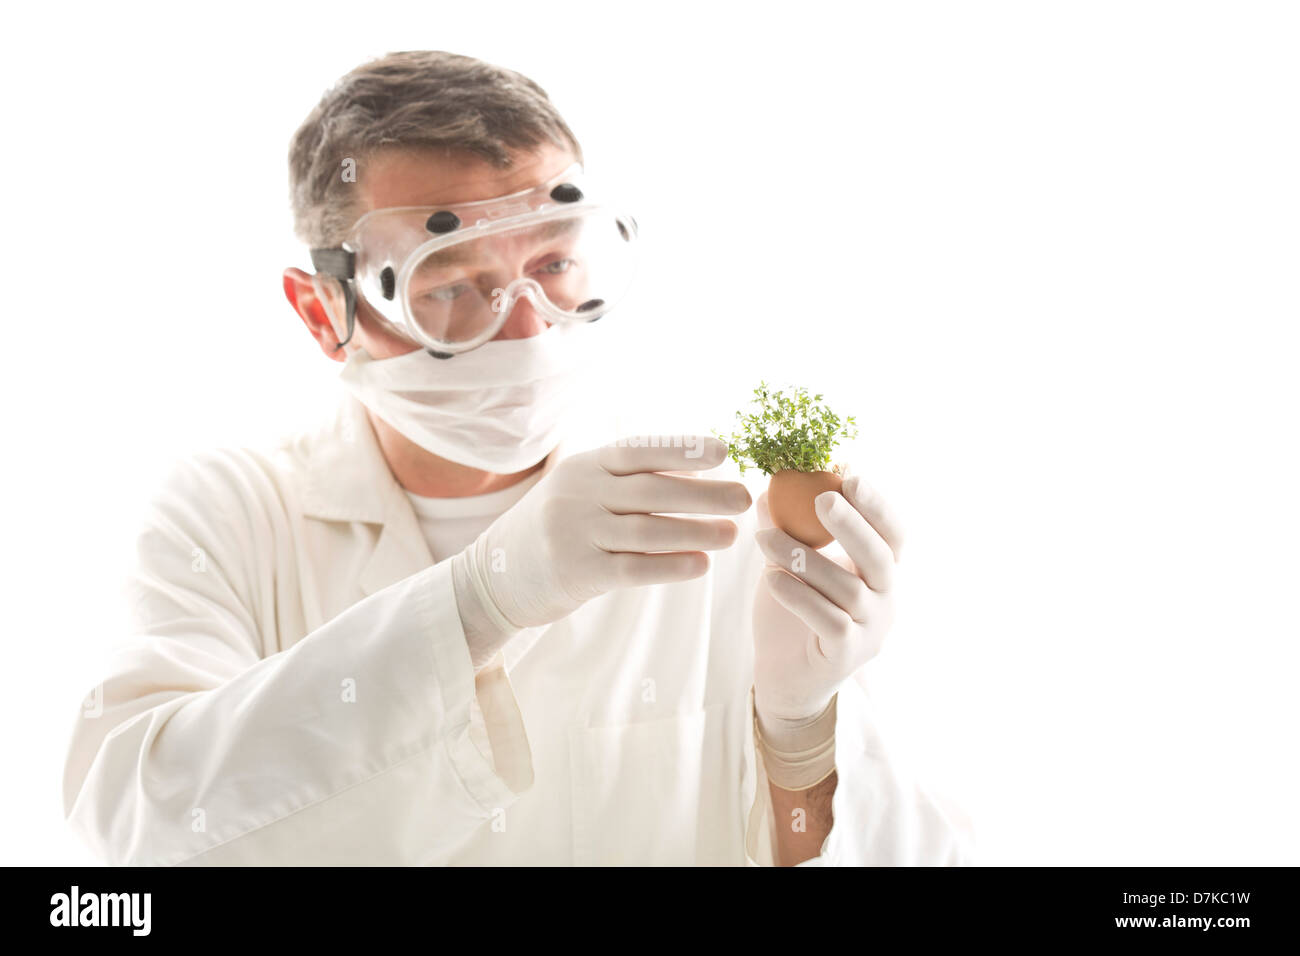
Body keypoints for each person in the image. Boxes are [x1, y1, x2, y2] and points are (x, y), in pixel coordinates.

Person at [61, 50, 972, 866]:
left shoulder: (719, 512)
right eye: (453, 287)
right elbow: (138, 829)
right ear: (321, 313)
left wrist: (802, 734)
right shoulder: (228, 511)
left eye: (556, 265)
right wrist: (483, 597)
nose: (529, 326)